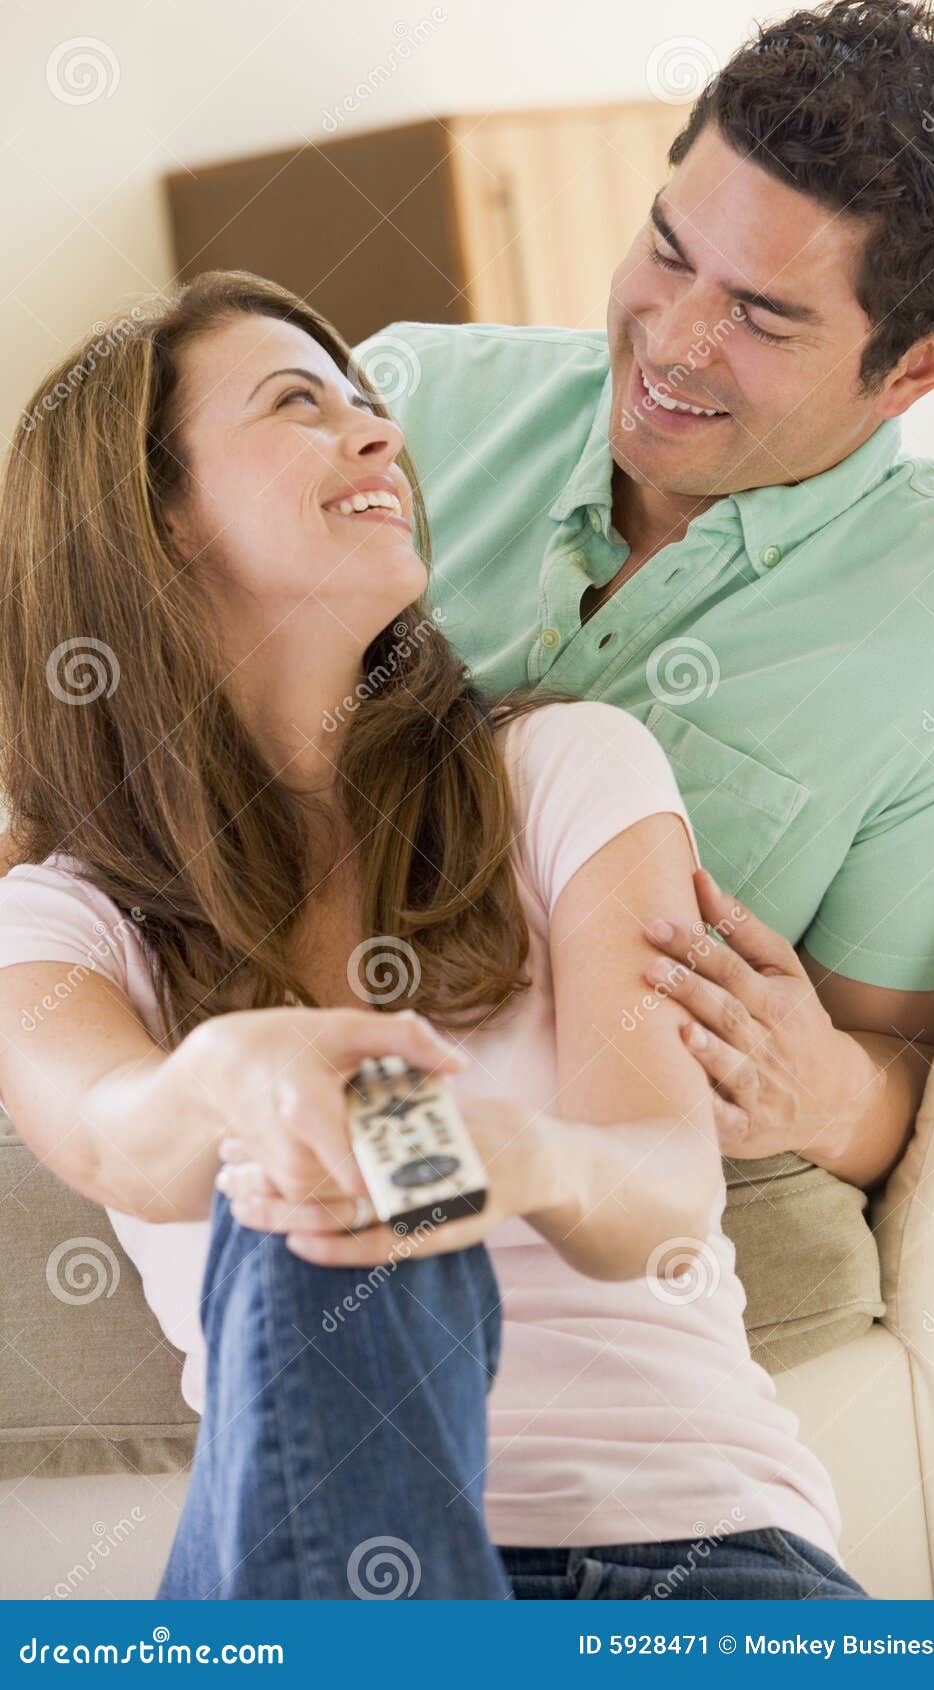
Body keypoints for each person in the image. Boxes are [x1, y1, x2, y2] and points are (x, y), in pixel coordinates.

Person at [0, 271, 865, 1600]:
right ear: (156, 515)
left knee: (381, 1149)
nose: (380, 436)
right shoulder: (64, 910)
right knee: (327, 1164)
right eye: (300, 404)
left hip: (685, 1555)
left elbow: (663, 1194)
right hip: (306, 1549)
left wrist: (508, 1159)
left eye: (370, 405)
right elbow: (114, 1130)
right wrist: (237, 1079)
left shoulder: (566, 769)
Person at [351, 0, 934, 1192]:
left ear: (920, 364)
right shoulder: (406, 402)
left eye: (764, 317)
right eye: (668, 252)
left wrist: (825, 1091)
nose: (671, 343)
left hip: (546, 1178)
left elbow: (900, 1056)